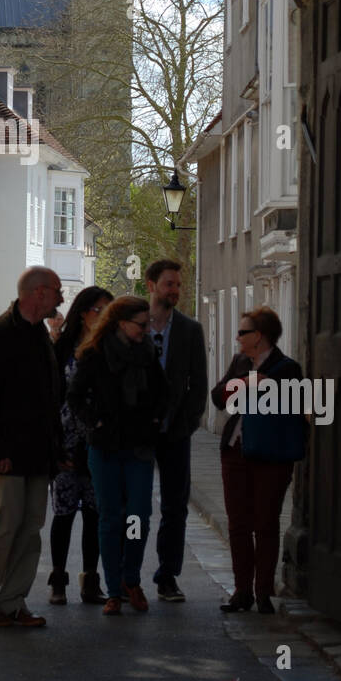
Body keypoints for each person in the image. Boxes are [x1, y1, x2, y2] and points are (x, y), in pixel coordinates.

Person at [0, 268, 67, 628]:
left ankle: (12, 601)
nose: (61, 298)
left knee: (30, 527)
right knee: (6, 524)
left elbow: (51, 396)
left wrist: (58, 447)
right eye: (57, 291)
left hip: (39, 451)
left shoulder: (40, 334)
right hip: (8, 451)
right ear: (38, 293)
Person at [67, 295, 169, 615]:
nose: (146, 329)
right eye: (141, 324)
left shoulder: (148, 353)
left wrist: (154, 421)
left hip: (139, 447)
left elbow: (163, 393)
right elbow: (74, 395)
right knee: (110, 519)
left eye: (148, 323)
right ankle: (113, 589)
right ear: (121, 323)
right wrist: (94, 422)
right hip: (105, 447)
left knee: (138, 515)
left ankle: (131, 579)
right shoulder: (95, 355)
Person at [211, 306, 304, 614]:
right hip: (235, 451)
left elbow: (288, 410)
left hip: (269, 455)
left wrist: (267, 387)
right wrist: (244, 383)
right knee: (238, 524)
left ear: (259, 336)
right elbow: (217, 396)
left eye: (242, 332)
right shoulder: (240, 362)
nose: (237, 338)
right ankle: (241, 592)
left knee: (265, 524)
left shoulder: (287, 368)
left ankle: (263, 592)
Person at [145, 259, 208, 604]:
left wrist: (187, 422)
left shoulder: (189, 330)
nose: (175, 290)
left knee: (174, 507)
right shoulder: (132, 323)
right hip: (136, 435)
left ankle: (167, 575)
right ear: (151, 284)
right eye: (169, 284)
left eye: (178, 285)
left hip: (174, 433)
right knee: (133, 508)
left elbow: (198, 383)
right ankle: (125, 577)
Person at [46, 286, 113, 605]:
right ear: (84, 312)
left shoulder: (110, 349)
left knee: (94, 513)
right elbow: (50, 397)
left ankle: (91, 579)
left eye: (108, 311)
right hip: (66, 441)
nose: (103, 316)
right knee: (63, 512)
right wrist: (55, 445)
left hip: (98, 441)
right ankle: (58, 579)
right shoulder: (62, 348)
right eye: (99, 310)